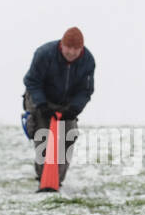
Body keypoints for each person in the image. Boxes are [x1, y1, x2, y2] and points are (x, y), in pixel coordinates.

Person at [22, 26, 95, 187]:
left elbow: (86, 90)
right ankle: (44, 178)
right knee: (43, 134)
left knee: (69, 135)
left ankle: (57, 181)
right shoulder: (44, 54)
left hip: (66, 104)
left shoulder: (88, 61)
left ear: (81, 49)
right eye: (68, 47)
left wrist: (74, 108)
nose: (71, 52)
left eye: (76, 49)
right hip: (40, 99)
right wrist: (41, 105)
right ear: (61, 45)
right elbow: (31, 81)